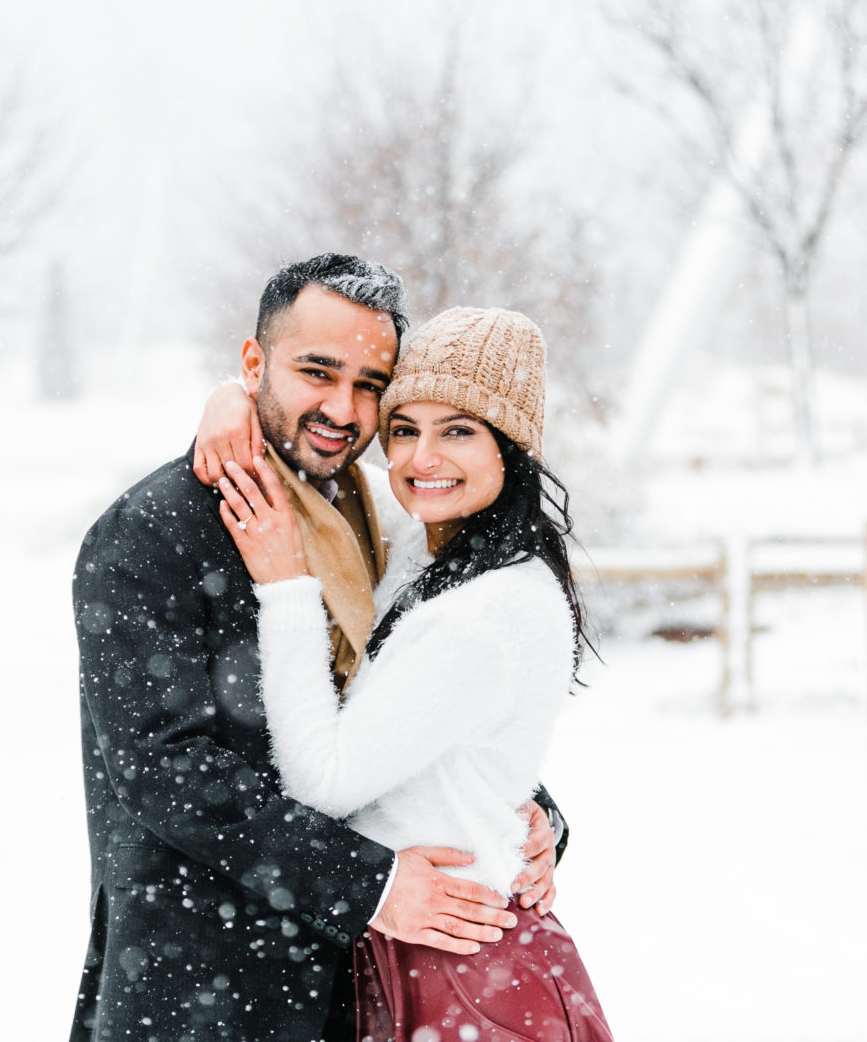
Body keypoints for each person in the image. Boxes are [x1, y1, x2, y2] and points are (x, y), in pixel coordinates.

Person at [71, 255, 566, 1041]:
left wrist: (526, 809)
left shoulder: (372, 519)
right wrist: (368, 884)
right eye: (317, 371)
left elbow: (413, 701)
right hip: (203, 987)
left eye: (370, 384)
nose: (342, 408)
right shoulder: (155, 531)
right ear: (253, 363)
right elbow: (166, 771)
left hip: (355, 987)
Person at [211, 306, 613, 1040]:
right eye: (403, 429)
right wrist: (234, 401)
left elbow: (324, 782)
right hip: (434, 952)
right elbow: (320, 459)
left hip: (465, 968)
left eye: (457, 431)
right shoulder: (430, 548)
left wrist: (286, 585)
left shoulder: (482, 613)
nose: (421, 459)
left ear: (511, 445)